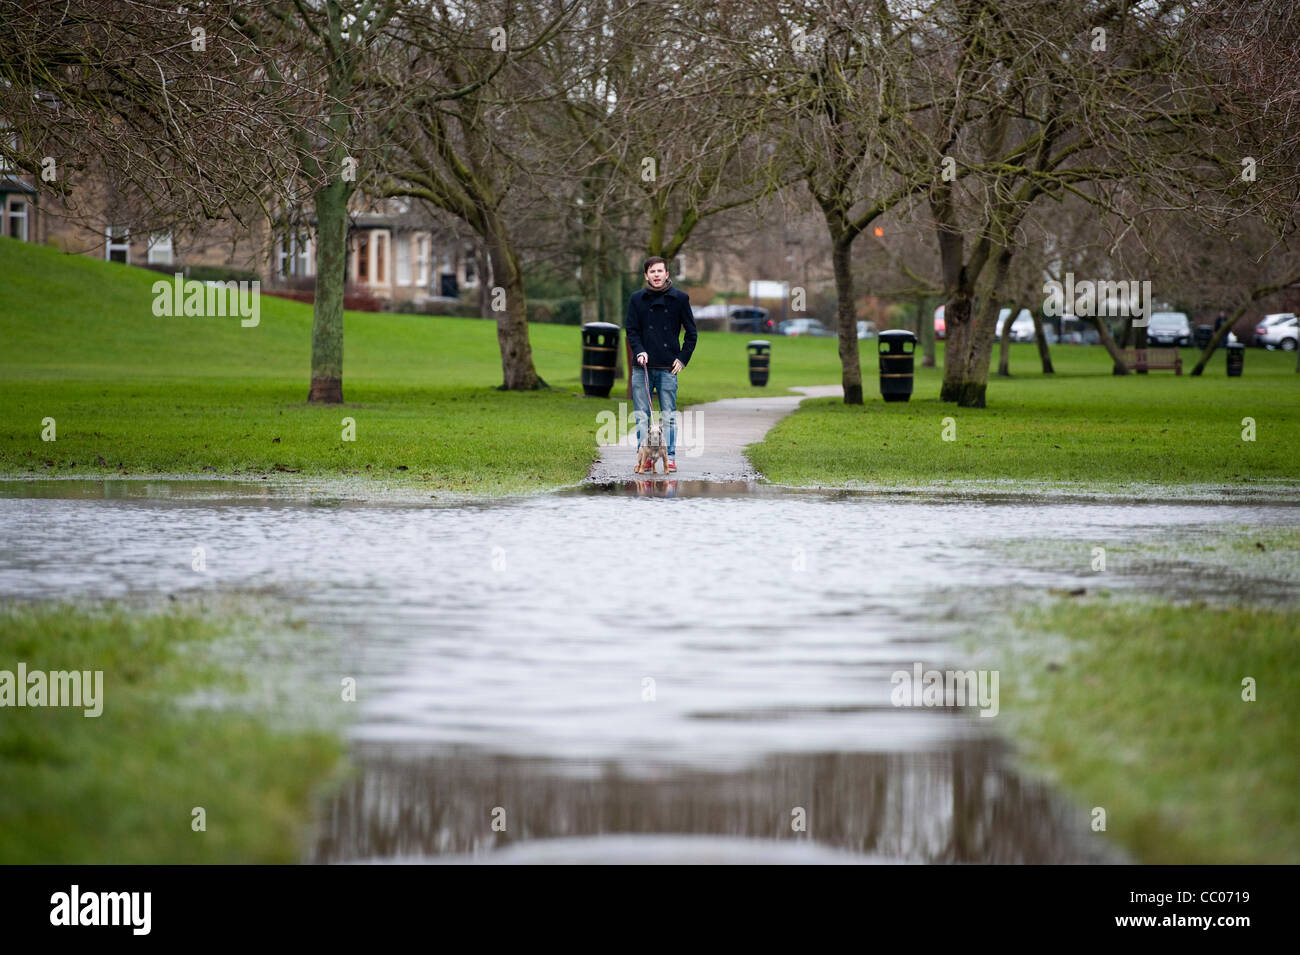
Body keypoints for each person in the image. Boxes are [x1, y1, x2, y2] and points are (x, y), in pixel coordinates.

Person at [625, 256, 697, 473]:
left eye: (660, 271)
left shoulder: (680, 299)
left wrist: (682, 359)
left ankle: (670, 456)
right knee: (641, 416)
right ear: (646, 275)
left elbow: (692, 333)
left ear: (667, 274)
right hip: (642, 368)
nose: (656, 275)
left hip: (668, 368)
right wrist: (639, 351)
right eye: (652, 272)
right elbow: (631, 330)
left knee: (669, 416)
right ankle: (644, 458)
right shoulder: (636, 299)